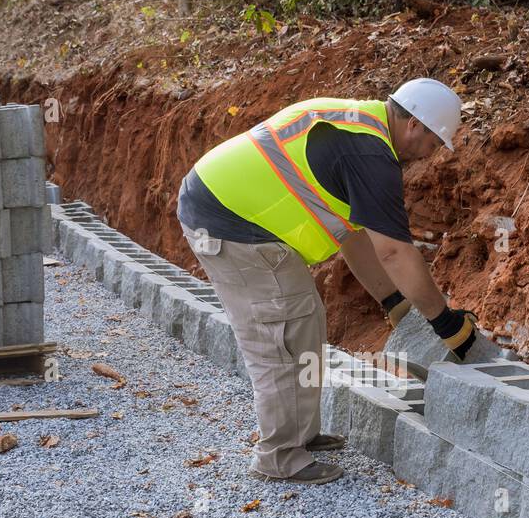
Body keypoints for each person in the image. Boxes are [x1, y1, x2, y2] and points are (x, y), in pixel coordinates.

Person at [177, 78, 475, 485]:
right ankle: (280, 456)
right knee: (280, 331)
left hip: (228, 208)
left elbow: (354, 237)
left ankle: (300, 435)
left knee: (306, 319)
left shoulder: (360, 127)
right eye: (435, 143)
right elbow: (394, 252)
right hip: (227, 220)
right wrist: (445, 324)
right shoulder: (371, 155)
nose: (432, 154)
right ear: (414, 126)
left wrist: (393, 302)